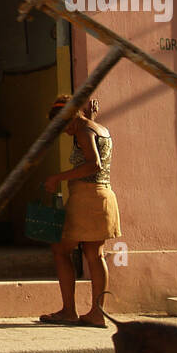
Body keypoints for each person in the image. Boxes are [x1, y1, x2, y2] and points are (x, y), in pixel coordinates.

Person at [38, 96, 122, 328]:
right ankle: (97, 313)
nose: (62, 132)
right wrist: (87, 118)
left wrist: (58, 177)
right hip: (103, 197)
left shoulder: (83, 131)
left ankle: (68, 310)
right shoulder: (95, 128)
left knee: (60, 250)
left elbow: (93, 164)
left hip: (86, 198)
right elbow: (90, 143)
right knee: (96, 255)